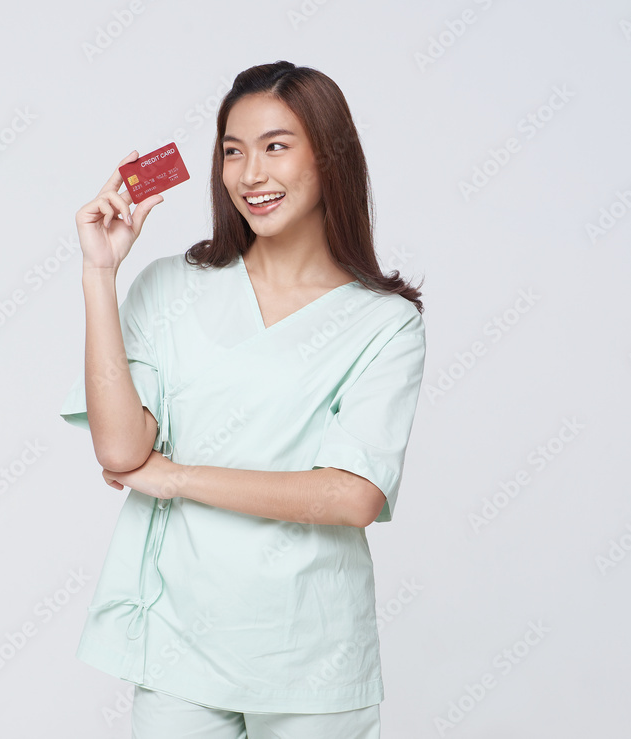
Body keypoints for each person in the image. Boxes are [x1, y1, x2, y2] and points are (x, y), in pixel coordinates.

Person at [59, 60, 426, 739]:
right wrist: (100, 272)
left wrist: (176, 478)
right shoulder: (170, 286)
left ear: (331, 157)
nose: (250, 173)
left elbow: (352, 496)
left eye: (275, 146)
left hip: (310, 659)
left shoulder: (384, 323)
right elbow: (119, 448)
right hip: (179, 643)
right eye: (233, 150)